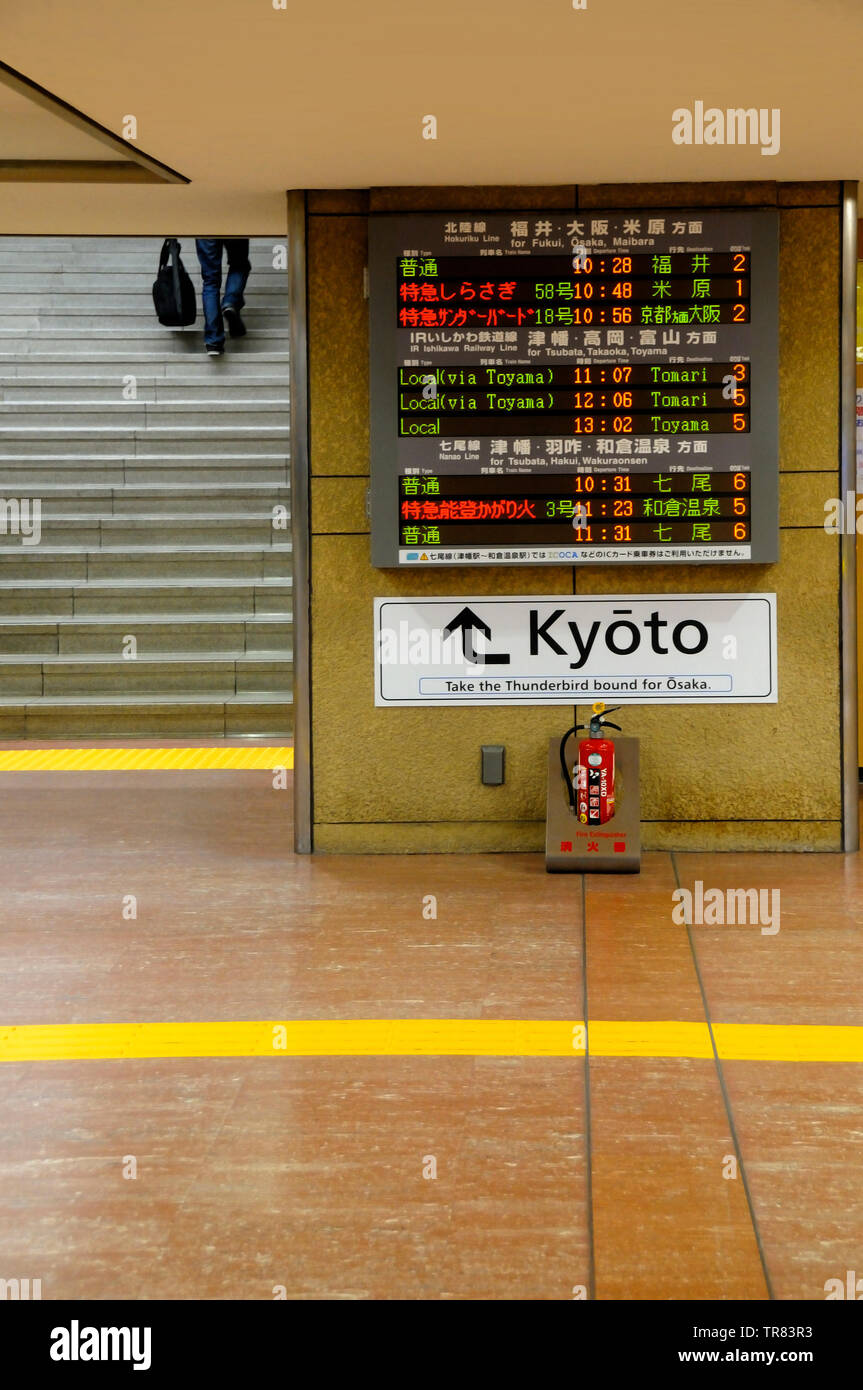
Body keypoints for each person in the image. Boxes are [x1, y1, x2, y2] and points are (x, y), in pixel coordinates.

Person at [194, 238, 251, 356]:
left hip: (205, 226)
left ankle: (213, 341)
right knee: (239, 264)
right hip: (234, 222)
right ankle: (231, 301)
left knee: (210, 281)